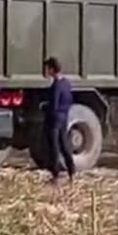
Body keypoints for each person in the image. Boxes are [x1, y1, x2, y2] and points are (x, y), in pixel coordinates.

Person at [42, 56, 77, 184]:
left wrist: (44, 107)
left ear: (52, 69)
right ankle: (72, 171)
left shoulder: (56, 85)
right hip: (64, 117)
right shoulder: (66, 83)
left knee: (54, 147)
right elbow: (69, 100)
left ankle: (55, 175)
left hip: (54, 119)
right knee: (64, 144)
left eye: (47, 68)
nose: (46, 71)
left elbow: (53, 104)